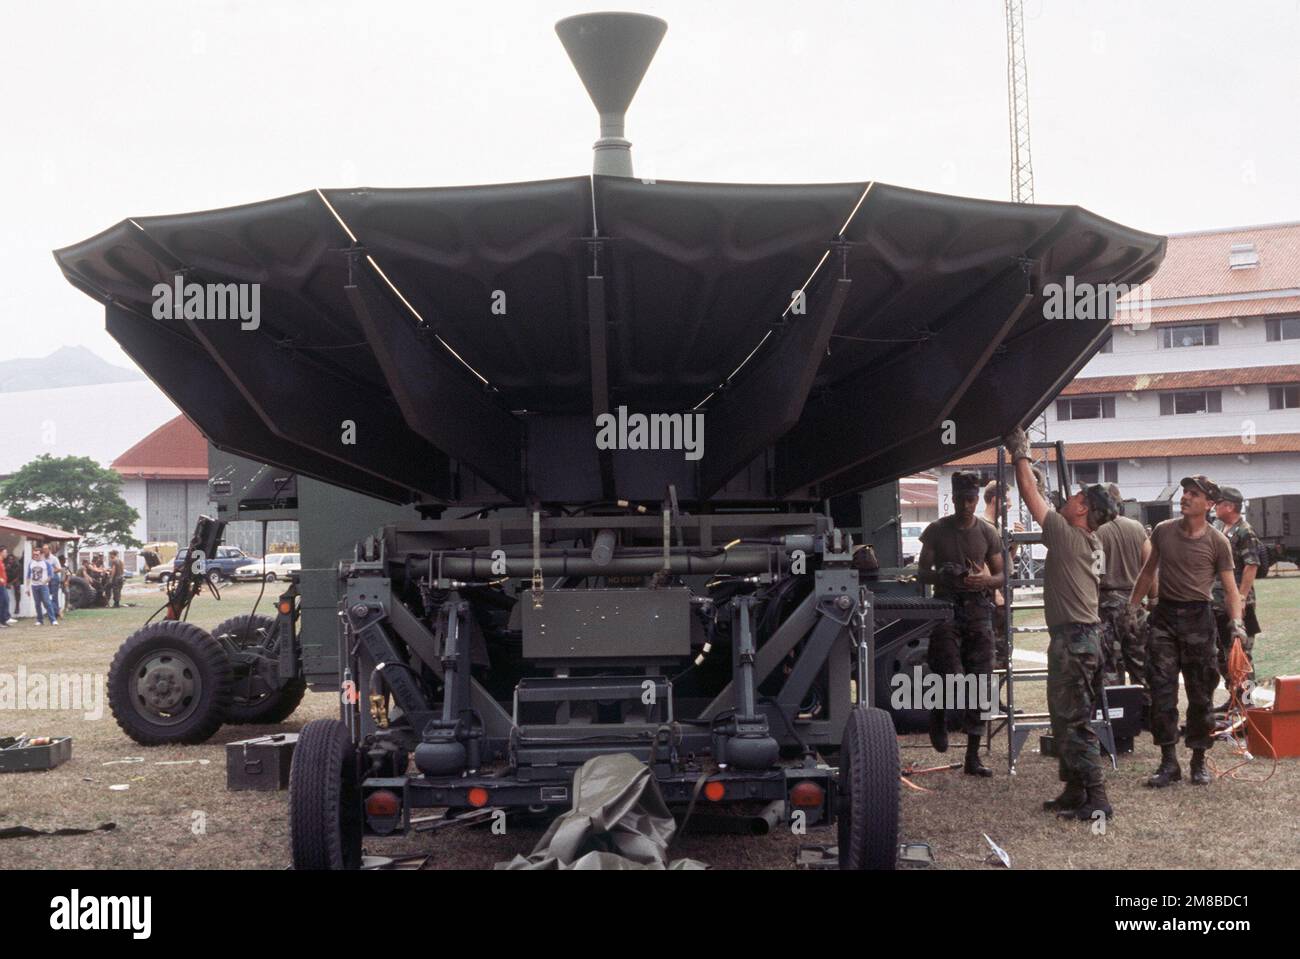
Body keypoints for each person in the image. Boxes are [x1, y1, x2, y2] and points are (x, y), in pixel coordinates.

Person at [1005, 428, 1118, 820]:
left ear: (1083, 507)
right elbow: (1045, 497)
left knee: (1074, 720)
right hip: (1082, 638)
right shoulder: (1088, 540)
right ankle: (1074, 789)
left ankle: (1098, 798)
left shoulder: (1066, 536)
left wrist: (1019, 453)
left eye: (1073, 497)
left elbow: (1031, 497)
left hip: (1074, 640)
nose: (1066, 500)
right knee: (1065, 715)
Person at [1128, 476, 1243, 788]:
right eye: (1184, 493)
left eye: (1193, 494)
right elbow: (1148, 570)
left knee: (1201, 694)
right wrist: (1132, 606)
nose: (1185, 498)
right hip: (1164, 616)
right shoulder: (1164, 531)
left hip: (1199, 619)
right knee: (1161, 691)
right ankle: (1168, 762)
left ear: (1208, 504)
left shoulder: (1218, 541)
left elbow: (1232, 590)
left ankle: (1198, 761)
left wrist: (1238, 624)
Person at [917, 471, 1005, 776]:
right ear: (952, 499)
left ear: (977, 499)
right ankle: (938, 714)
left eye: (971, 499)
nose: (966, 505)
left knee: (981, 682)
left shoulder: (988, 532)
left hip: (979, 608)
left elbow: (1002, 575)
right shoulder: (936, 531)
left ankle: (972, 757)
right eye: (960, 499)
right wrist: (941, 574)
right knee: (949, 673)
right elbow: (921, 572)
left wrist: (985, 580)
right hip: (946, 608)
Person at [1095, 484, 1153, 713]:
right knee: (1140, 659)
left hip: (1107, 604)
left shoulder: (1097, 532)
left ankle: (1117, 715)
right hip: (1135, 602)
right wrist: (1153, 599)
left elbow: (1095, 571)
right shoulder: (1137, 528)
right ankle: (1147, 712)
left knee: (1111, 663)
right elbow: (1150, 565)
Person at [1210, 487, 1262, 706]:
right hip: (1219, 602)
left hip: (1239, 604)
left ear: (1229, 506)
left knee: (1242, 655)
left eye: (1218, 503)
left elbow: (1252, 565)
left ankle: (1246, 701)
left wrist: (1241, 596)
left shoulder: (1244, 532)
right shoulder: (1220, 527)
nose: (1214, 507)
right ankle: (1234, 696)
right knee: (1223, 654)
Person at [27, 543, 58, 626]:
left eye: (37, 554)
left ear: (41, 554)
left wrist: (45, 582)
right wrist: (27, 588)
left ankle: (53, 620)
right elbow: (28, 576)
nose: (35, 556)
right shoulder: (31, 563)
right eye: (34, 554)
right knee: (37, 604)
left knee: (47, 602)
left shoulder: (46, 563)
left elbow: (51, 575)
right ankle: (40, 620)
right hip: (34, 586)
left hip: (43, 586)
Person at [45, 546, 63, 620]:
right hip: (47, 579)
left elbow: (59, 569)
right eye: (43, 549)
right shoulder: (43, 558)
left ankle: (55, 612)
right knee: (48, 596)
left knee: (53, 596)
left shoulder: (54, 558)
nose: (44, 551)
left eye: (46, 549)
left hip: (54, 579)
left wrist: (50, 571)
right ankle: (56, 611)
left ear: (49, 550)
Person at [0, 546, 11, 627]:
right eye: (5, 552)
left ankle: (4, 620)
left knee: (5, 601)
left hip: (3, 585)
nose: (6, 554)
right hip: (0, 585)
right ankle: (2, 620)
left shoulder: (2, 562)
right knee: (3, 601)